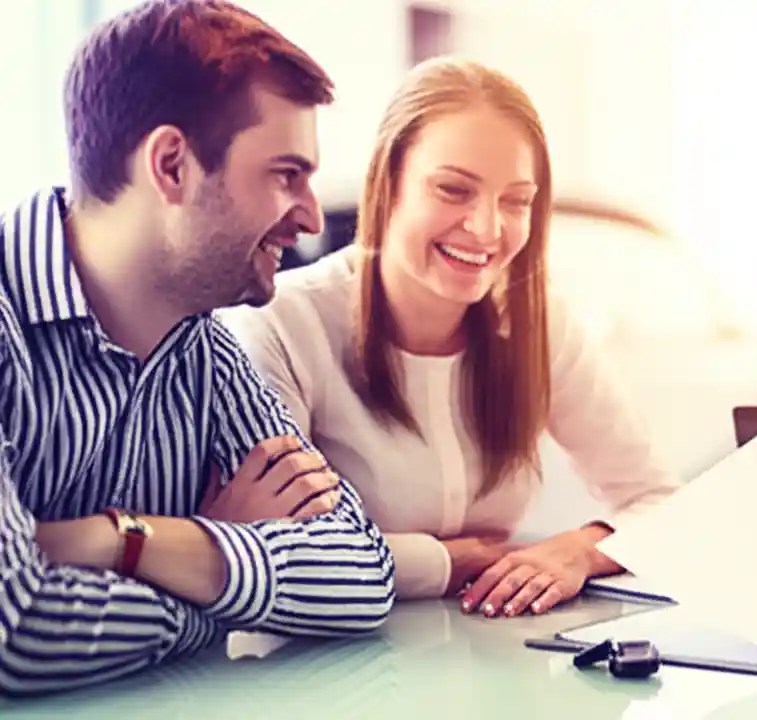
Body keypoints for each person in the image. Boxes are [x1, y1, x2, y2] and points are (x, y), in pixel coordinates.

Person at [0, 0, 395, 696]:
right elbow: (19, 633)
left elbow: (362, 573)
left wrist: (125, 539)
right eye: (285, 174)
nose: (308, 216)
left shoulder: (206, 350)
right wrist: (212, 569)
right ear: (173, 165)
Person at [219, 58, 678, 618]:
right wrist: (443, 562)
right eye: (454, 190)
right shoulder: (281, 324)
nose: (487, 229)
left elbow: (660, 503)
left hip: (492, 652)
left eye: (515, 201)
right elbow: (272, 553)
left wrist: (579, 549)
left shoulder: (540, 321)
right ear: (388, 182)